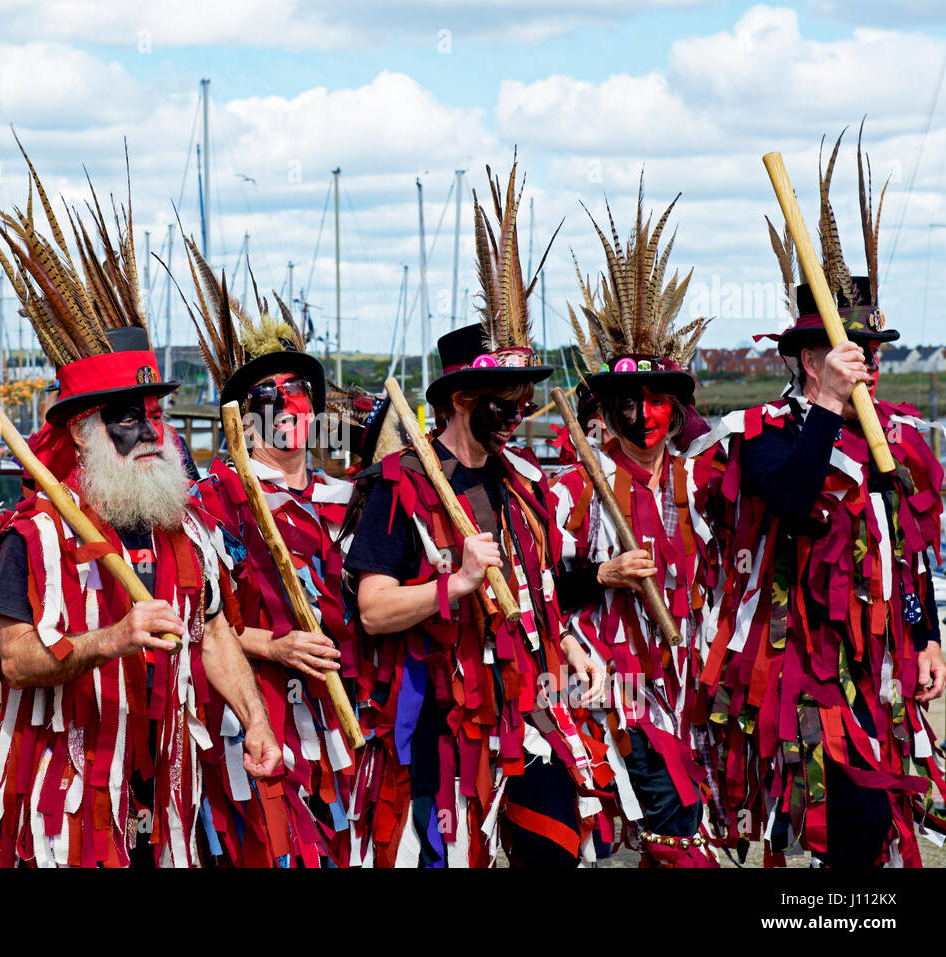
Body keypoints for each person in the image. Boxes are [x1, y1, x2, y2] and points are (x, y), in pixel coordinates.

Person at [0, 146, 280, 867]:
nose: (147, 431)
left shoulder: (184, 527)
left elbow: (215, 632)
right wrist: (111, 638)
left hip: (165, 798)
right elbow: (15, 661)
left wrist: (254, 716)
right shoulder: (31, 538)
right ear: (81, 431)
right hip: (62, 801)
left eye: (153, 413)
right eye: (124, 417)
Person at [688, 131, 946, 866]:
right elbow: (795, 503)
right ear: (810, 357)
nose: (870, 361)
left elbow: (907, 551)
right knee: (845, 825)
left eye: (874, 349)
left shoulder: (892, 439)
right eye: (850, 350)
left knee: (870, 837)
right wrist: (829, 402)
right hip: (797, 671)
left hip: (879, 673)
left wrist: (925, 636)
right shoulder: (761, 434)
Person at [342, 163, 604, 867]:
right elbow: (371, 609)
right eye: (504, 402)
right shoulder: (399, 484)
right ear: (459, 400)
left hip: (533, 711)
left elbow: (541, 589)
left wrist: (569, 640)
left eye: (525, 401)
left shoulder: (525, 483)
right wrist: (454, 585)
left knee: (555, 851)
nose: (519, 416)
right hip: (440, 720)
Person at [548, 184, 721, 866]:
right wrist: (601, 572)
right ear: (607, 407)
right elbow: (542, 593)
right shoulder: (572, 489)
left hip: (696, 688)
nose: (644, 416)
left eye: (658, 401)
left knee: (682, 831)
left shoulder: (704, 479)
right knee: (674, 832)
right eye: (629, 402)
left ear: (676, 407)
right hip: (618, 692)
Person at [184, 242, 361, 866]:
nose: (287, 403)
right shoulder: (213, 501)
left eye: (297, 388)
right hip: (253, 716)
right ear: (242, 417)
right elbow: (201, 624)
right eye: (267, 393)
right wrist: (275, 646)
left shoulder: (352, 499)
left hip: (347, 721)